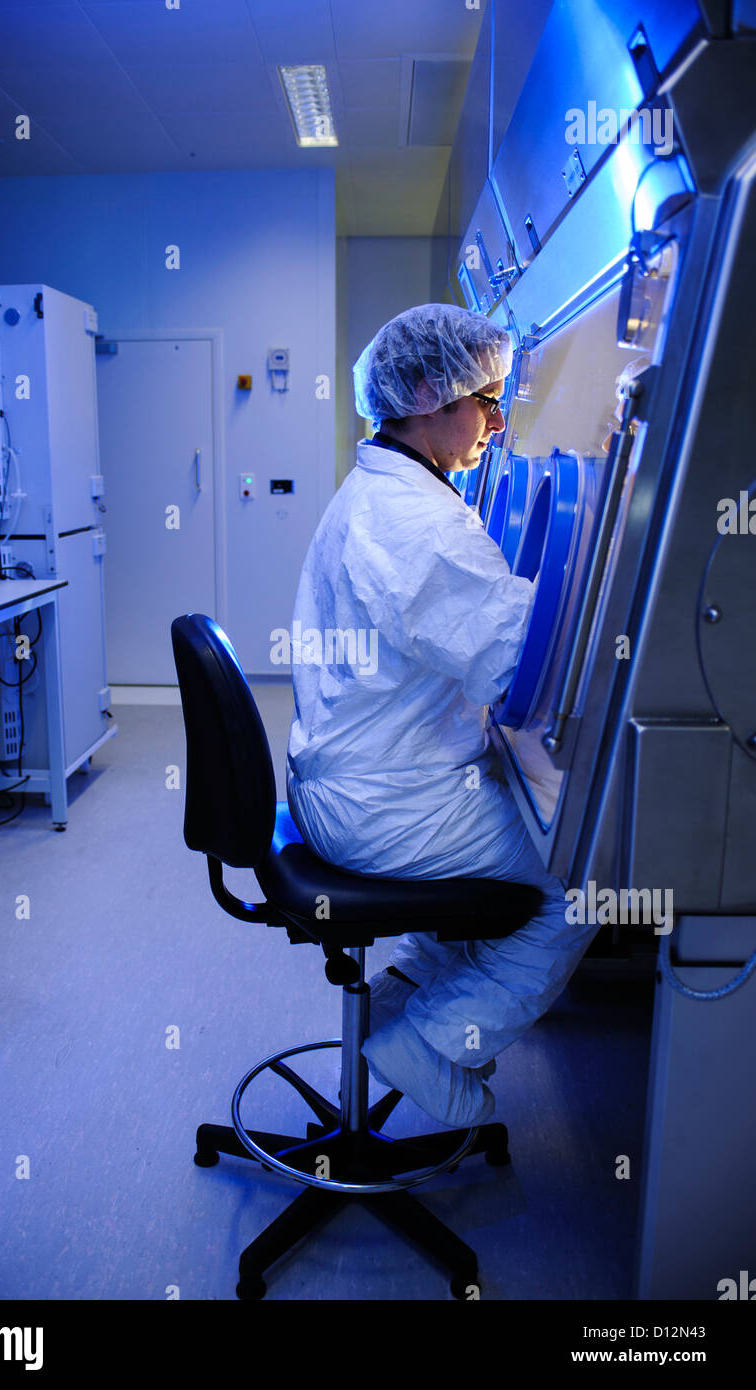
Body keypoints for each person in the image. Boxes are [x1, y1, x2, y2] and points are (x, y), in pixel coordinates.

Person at [286, 304, 598, 1127]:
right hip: (383, 805)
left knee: (518, 805)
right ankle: (430, 1043)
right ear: (428, 391)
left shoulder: (386, 493)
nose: (499, 420)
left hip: (362, 779)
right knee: (589, 874)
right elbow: (513, 664)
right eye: (485, 399)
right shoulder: (416, 524)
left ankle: (409, 991)